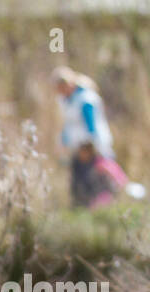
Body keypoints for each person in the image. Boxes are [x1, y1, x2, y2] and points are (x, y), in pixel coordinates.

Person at [51, 67, 115, 205]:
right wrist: (63, 142)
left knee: (93, 181)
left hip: (90, 148)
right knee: (77, 182)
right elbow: (68, 124)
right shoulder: (66, 101)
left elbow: (91, 127)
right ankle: (80, 209)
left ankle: (98, 209)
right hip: (78, 148)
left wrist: (92, 147)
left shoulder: (86, 99)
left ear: (69, 84)